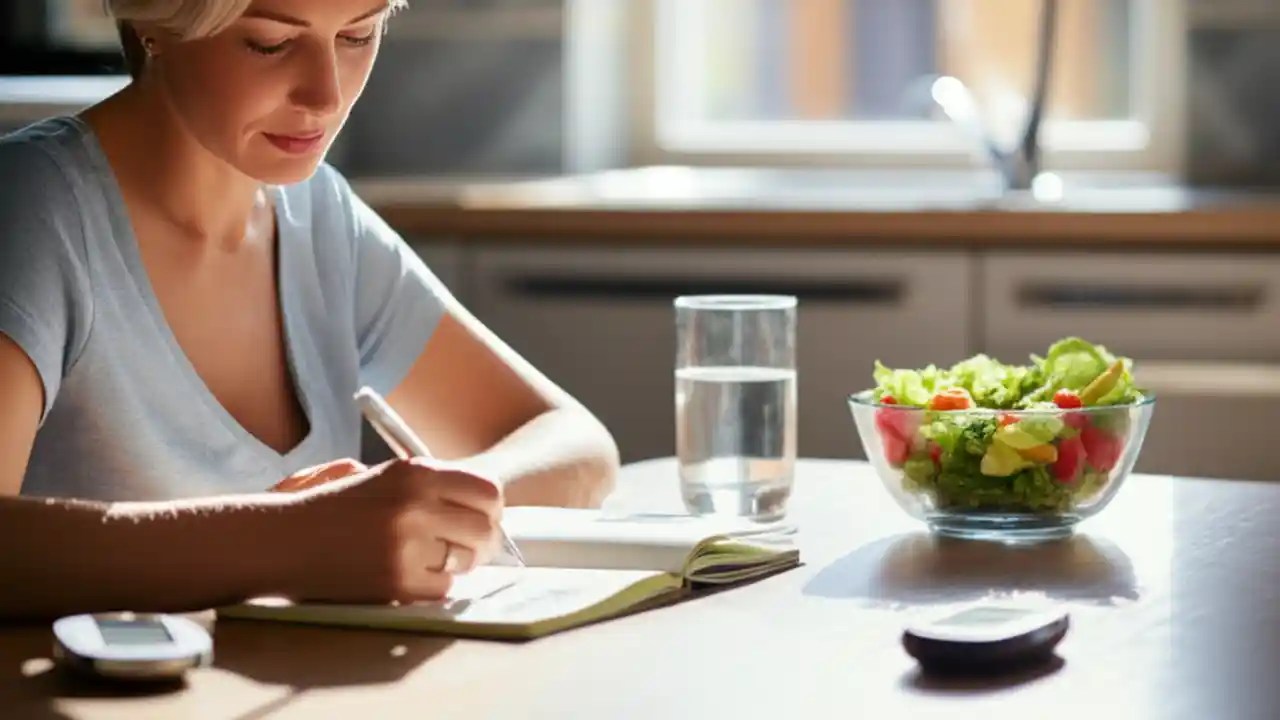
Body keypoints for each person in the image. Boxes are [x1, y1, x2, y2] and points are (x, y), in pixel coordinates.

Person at [0, 0, 619, 620]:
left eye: (358, 35)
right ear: (154, 24)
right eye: (270, 44)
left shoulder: (321, 221)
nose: (326, 95)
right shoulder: (31, 207)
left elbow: (578, 447)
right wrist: (293, 538)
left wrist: (423, 511)